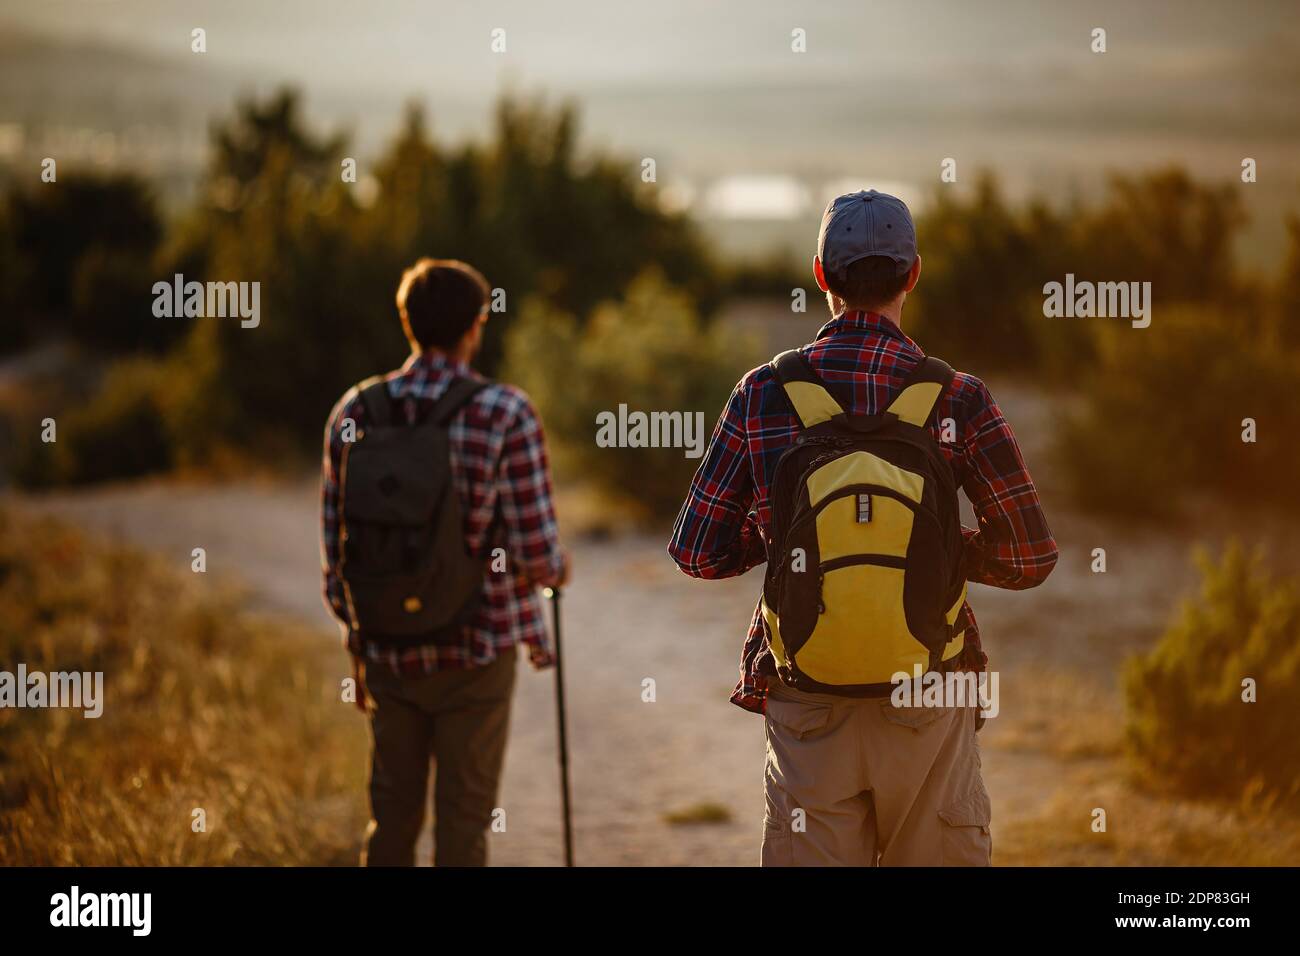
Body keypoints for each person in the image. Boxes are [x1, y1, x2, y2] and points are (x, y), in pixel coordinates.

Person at [668, 190, 1058, 866]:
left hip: (807, 695)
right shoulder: (959, 398)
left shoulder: (762, 392)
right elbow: (1030, 557)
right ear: (913, 274)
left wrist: (782, 542)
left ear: (821, 275)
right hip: (931, 691)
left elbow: (695, 552)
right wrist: (938, 554)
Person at [320, 258, 568, 866]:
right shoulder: (504, 412)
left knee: (393, 819)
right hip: (476, 650)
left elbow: (336, 551)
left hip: (387, 650)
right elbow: (537, 555)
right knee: (463, 825)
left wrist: (361, 631)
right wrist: (556, 569)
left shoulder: (355, 411)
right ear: (475, 327)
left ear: (406, 321)